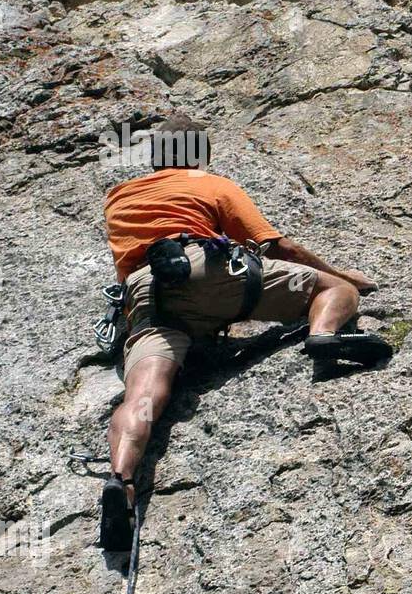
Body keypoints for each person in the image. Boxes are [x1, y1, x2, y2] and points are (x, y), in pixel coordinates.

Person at [98, 115, 390, 550]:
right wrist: (343, 273)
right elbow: (277, 248)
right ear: (199, 155)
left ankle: (121, 480)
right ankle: (324, 334)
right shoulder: (210, 184)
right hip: (209, 271)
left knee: (142, 395)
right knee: (334, 289)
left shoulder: (118, 197)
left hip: (148, 293)